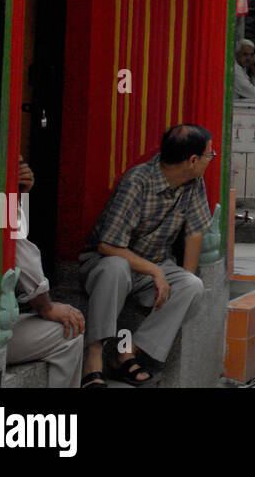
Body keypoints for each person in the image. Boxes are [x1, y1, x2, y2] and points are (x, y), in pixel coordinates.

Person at [79, 125, 213, 386]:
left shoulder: (193, 181)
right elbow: (108, 246)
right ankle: (93, 358)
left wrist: (182, 275)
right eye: (210, 155)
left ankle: (127, 353)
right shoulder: (137, 181)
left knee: (191, 286)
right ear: (192, 160)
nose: (211, 159)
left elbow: (194, 232)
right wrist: (155, 271)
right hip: (108, 263)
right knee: (115, 267)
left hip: (154, 265)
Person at [7, 159, 86, 388]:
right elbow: (20, 251)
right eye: (17, 162)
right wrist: (46, 307)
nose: (23, 167)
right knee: (69, 331)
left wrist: (18, 194)